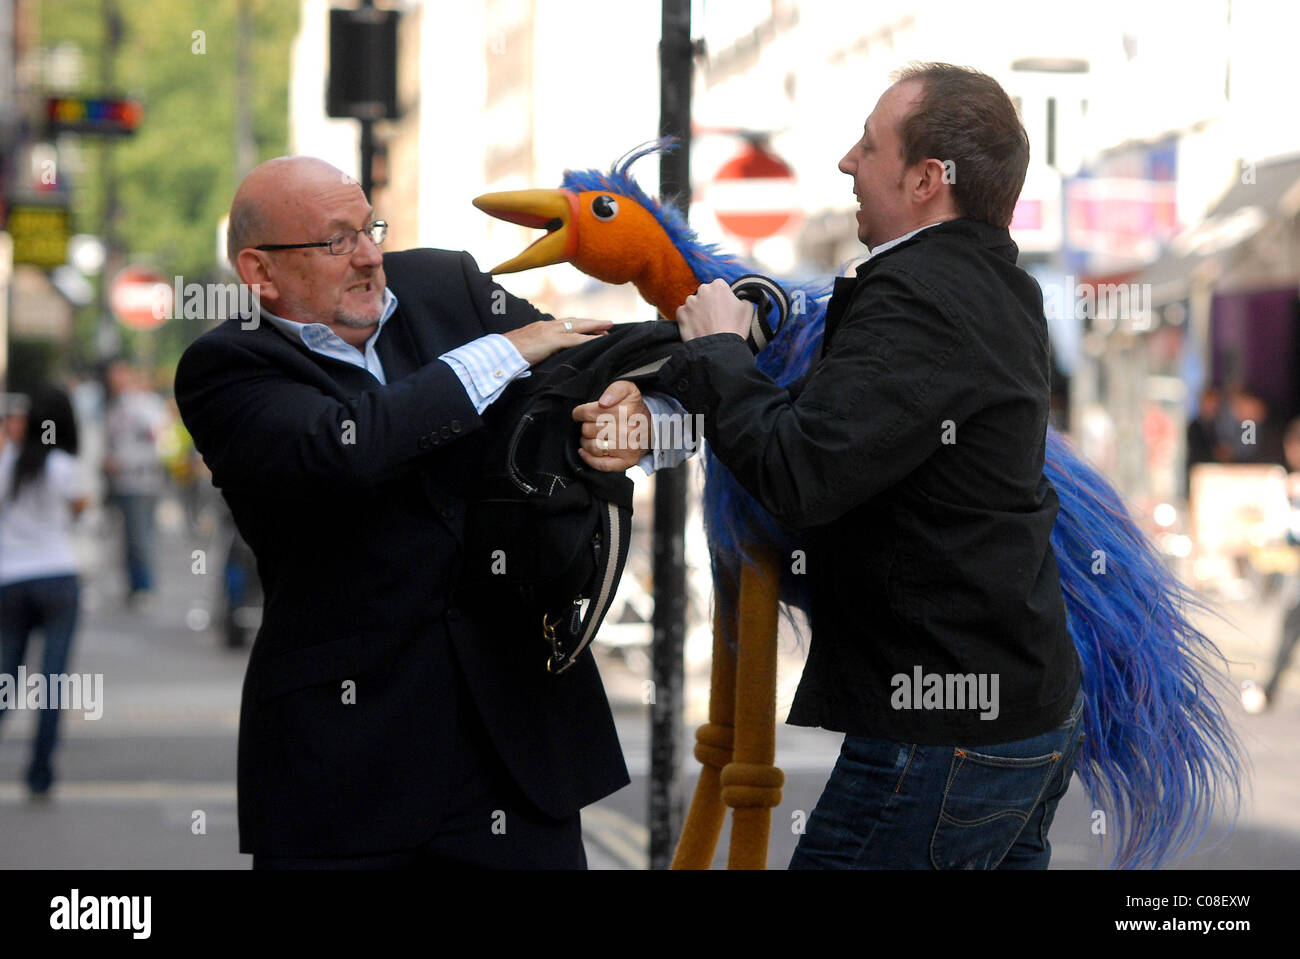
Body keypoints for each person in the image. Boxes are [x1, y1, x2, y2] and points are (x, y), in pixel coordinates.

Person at [174, 155, 686, 868]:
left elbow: (585, 368)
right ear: (259, 272)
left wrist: (635, 418)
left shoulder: (447, 284)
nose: (369, 256)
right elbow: (348, 447)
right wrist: (499, 353)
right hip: (350, 772)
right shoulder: (225, 369)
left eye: (369, 228)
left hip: (517, 751)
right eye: (336, 241)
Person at [646, 62, 1085, 868]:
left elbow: (800, 471)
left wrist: (715, 353)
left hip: (943, 732)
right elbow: (856, 433)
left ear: (926, 179)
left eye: (867, 145)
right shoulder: (996, 282)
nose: (847, 162)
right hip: (1020, 718)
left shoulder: (919, 296)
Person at [0, 385, 91, 799]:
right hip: (57, 577)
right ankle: (39, 774)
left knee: (6, 678)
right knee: (52, 684)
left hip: (9, 580)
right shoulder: (64, 465)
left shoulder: (6, 463)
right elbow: (80, 509)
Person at [102, 360, 169, 609]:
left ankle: (144, 586)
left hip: (142, 481)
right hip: (125, 483)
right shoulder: (115, 407)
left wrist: (125, 461)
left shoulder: (143, 406)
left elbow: (159, 441)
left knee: (140, 537)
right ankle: (135, 585)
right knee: (130, 538)